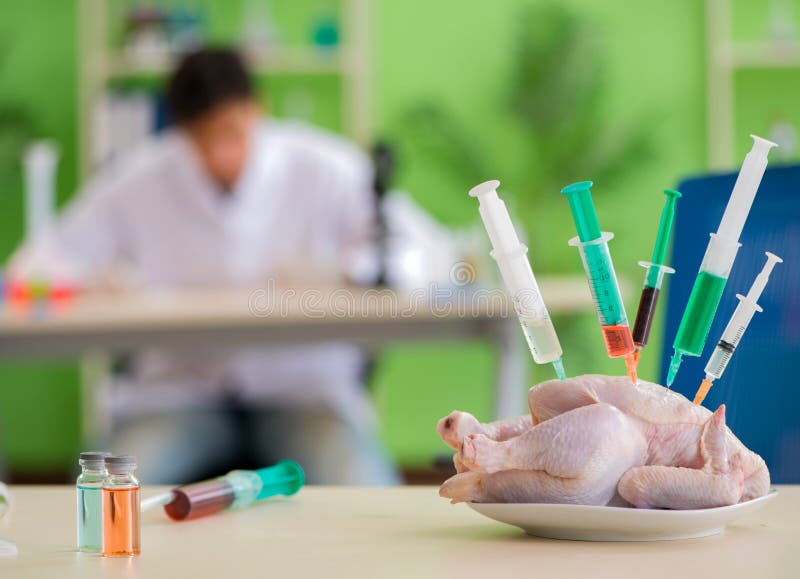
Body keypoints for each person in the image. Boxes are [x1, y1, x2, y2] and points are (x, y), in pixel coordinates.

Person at [9, 47, 400, 486]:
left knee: (363, 487)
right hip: (178, 393)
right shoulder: (140, 177)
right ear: (179, 130)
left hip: (301, 391)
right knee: (104, 494)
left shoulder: (326, 167)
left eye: (231, 131)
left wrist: (349, 272)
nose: (219, 154)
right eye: (201, 138)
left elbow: (413, 251)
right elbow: (31, 270)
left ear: (257, 109)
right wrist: (87, 283)